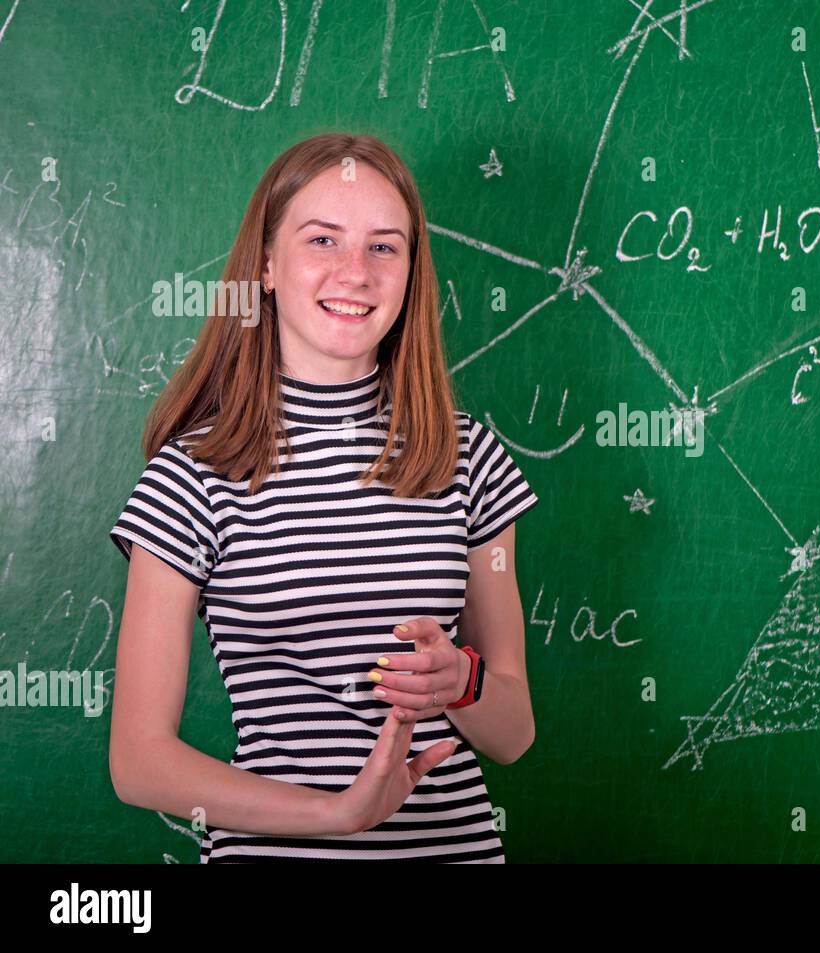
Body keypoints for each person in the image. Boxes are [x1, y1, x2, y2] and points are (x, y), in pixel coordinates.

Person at [107, 132, 539, 862]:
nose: (355, 272)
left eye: (383, 247)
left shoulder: (467, 456)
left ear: (411, 273)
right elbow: (139, 761)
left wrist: (460, 681)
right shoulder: (192, 475)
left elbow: (514, 732)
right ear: (267, 265)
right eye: (323, 239)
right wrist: (338, 814)